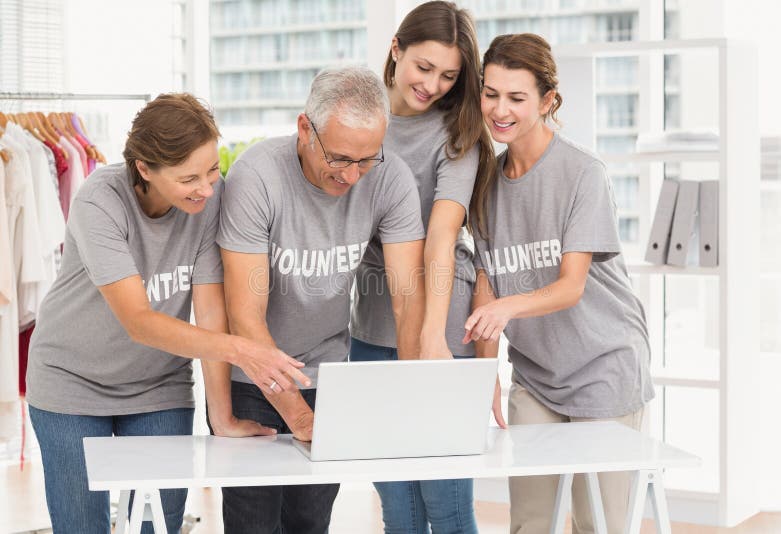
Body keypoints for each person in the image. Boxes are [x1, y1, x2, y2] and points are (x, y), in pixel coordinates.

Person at [25, 94, 308, 534]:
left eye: (213, 169)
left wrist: (223, 417)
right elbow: (138, 320)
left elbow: (210, 310)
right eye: (189, 178)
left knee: (156, 526)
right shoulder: (100, 202)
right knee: (80, 526)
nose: (207, 187)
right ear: (144, 169)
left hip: (158, 387)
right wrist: (241, 350)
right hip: (71, 383)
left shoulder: (209, 202)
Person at [209, 66, 427, 534]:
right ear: (305, 128)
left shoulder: (390, 178)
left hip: (327, 374)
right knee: (252, 524)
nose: (352, 176)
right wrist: (300, 416)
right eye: (341, 158)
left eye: (367, 160)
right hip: (253, 376)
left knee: (310, 523)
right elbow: (244, 316)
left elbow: (407, 297)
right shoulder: (257, 176)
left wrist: (413, 393)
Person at [465, 33, 655, 534]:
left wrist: (506, 311)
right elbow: (487, 282)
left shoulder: (582, 174)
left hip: (603, 368)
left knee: (601, 524)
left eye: (516, 98)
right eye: (490, 93)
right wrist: (485, 374)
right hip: (537, 378)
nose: (499, 109)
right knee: (530, 522)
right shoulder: (484, 182)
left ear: (548, 101)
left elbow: (570, 286)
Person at [348, 2, 495, 533]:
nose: (432, 84)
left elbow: (440, 238)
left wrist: (434, 335)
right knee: (396, 500)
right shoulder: (359, 119)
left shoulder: (457, 133)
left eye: (449, 75)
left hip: (441, 309)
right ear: (396, 50)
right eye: (424, 67)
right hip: (372, 317)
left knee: (445, 499)